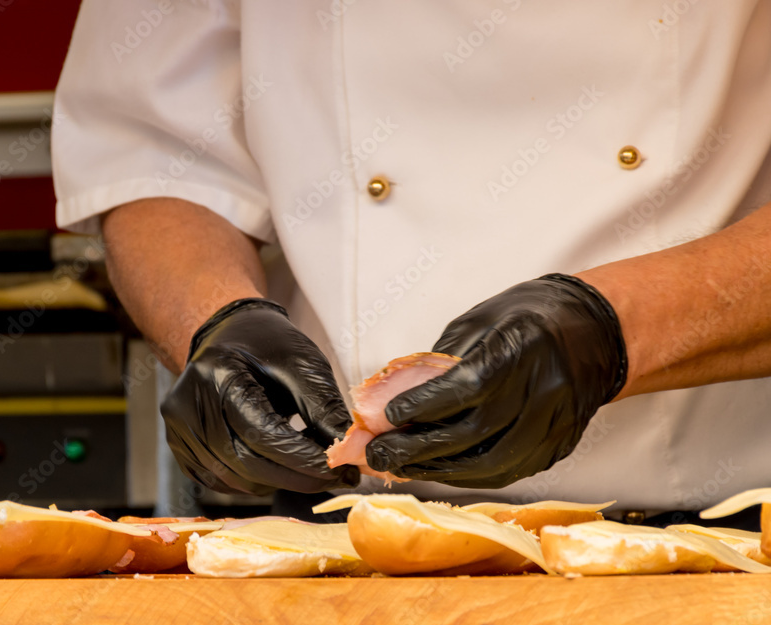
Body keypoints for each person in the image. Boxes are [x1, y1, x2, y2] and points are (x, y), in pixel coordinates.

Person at [52, 1, 771, 514]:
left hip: (714, 524)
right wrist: (215, 323)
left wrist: (613, 331)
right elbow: (156, 159)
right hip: (350, 532)